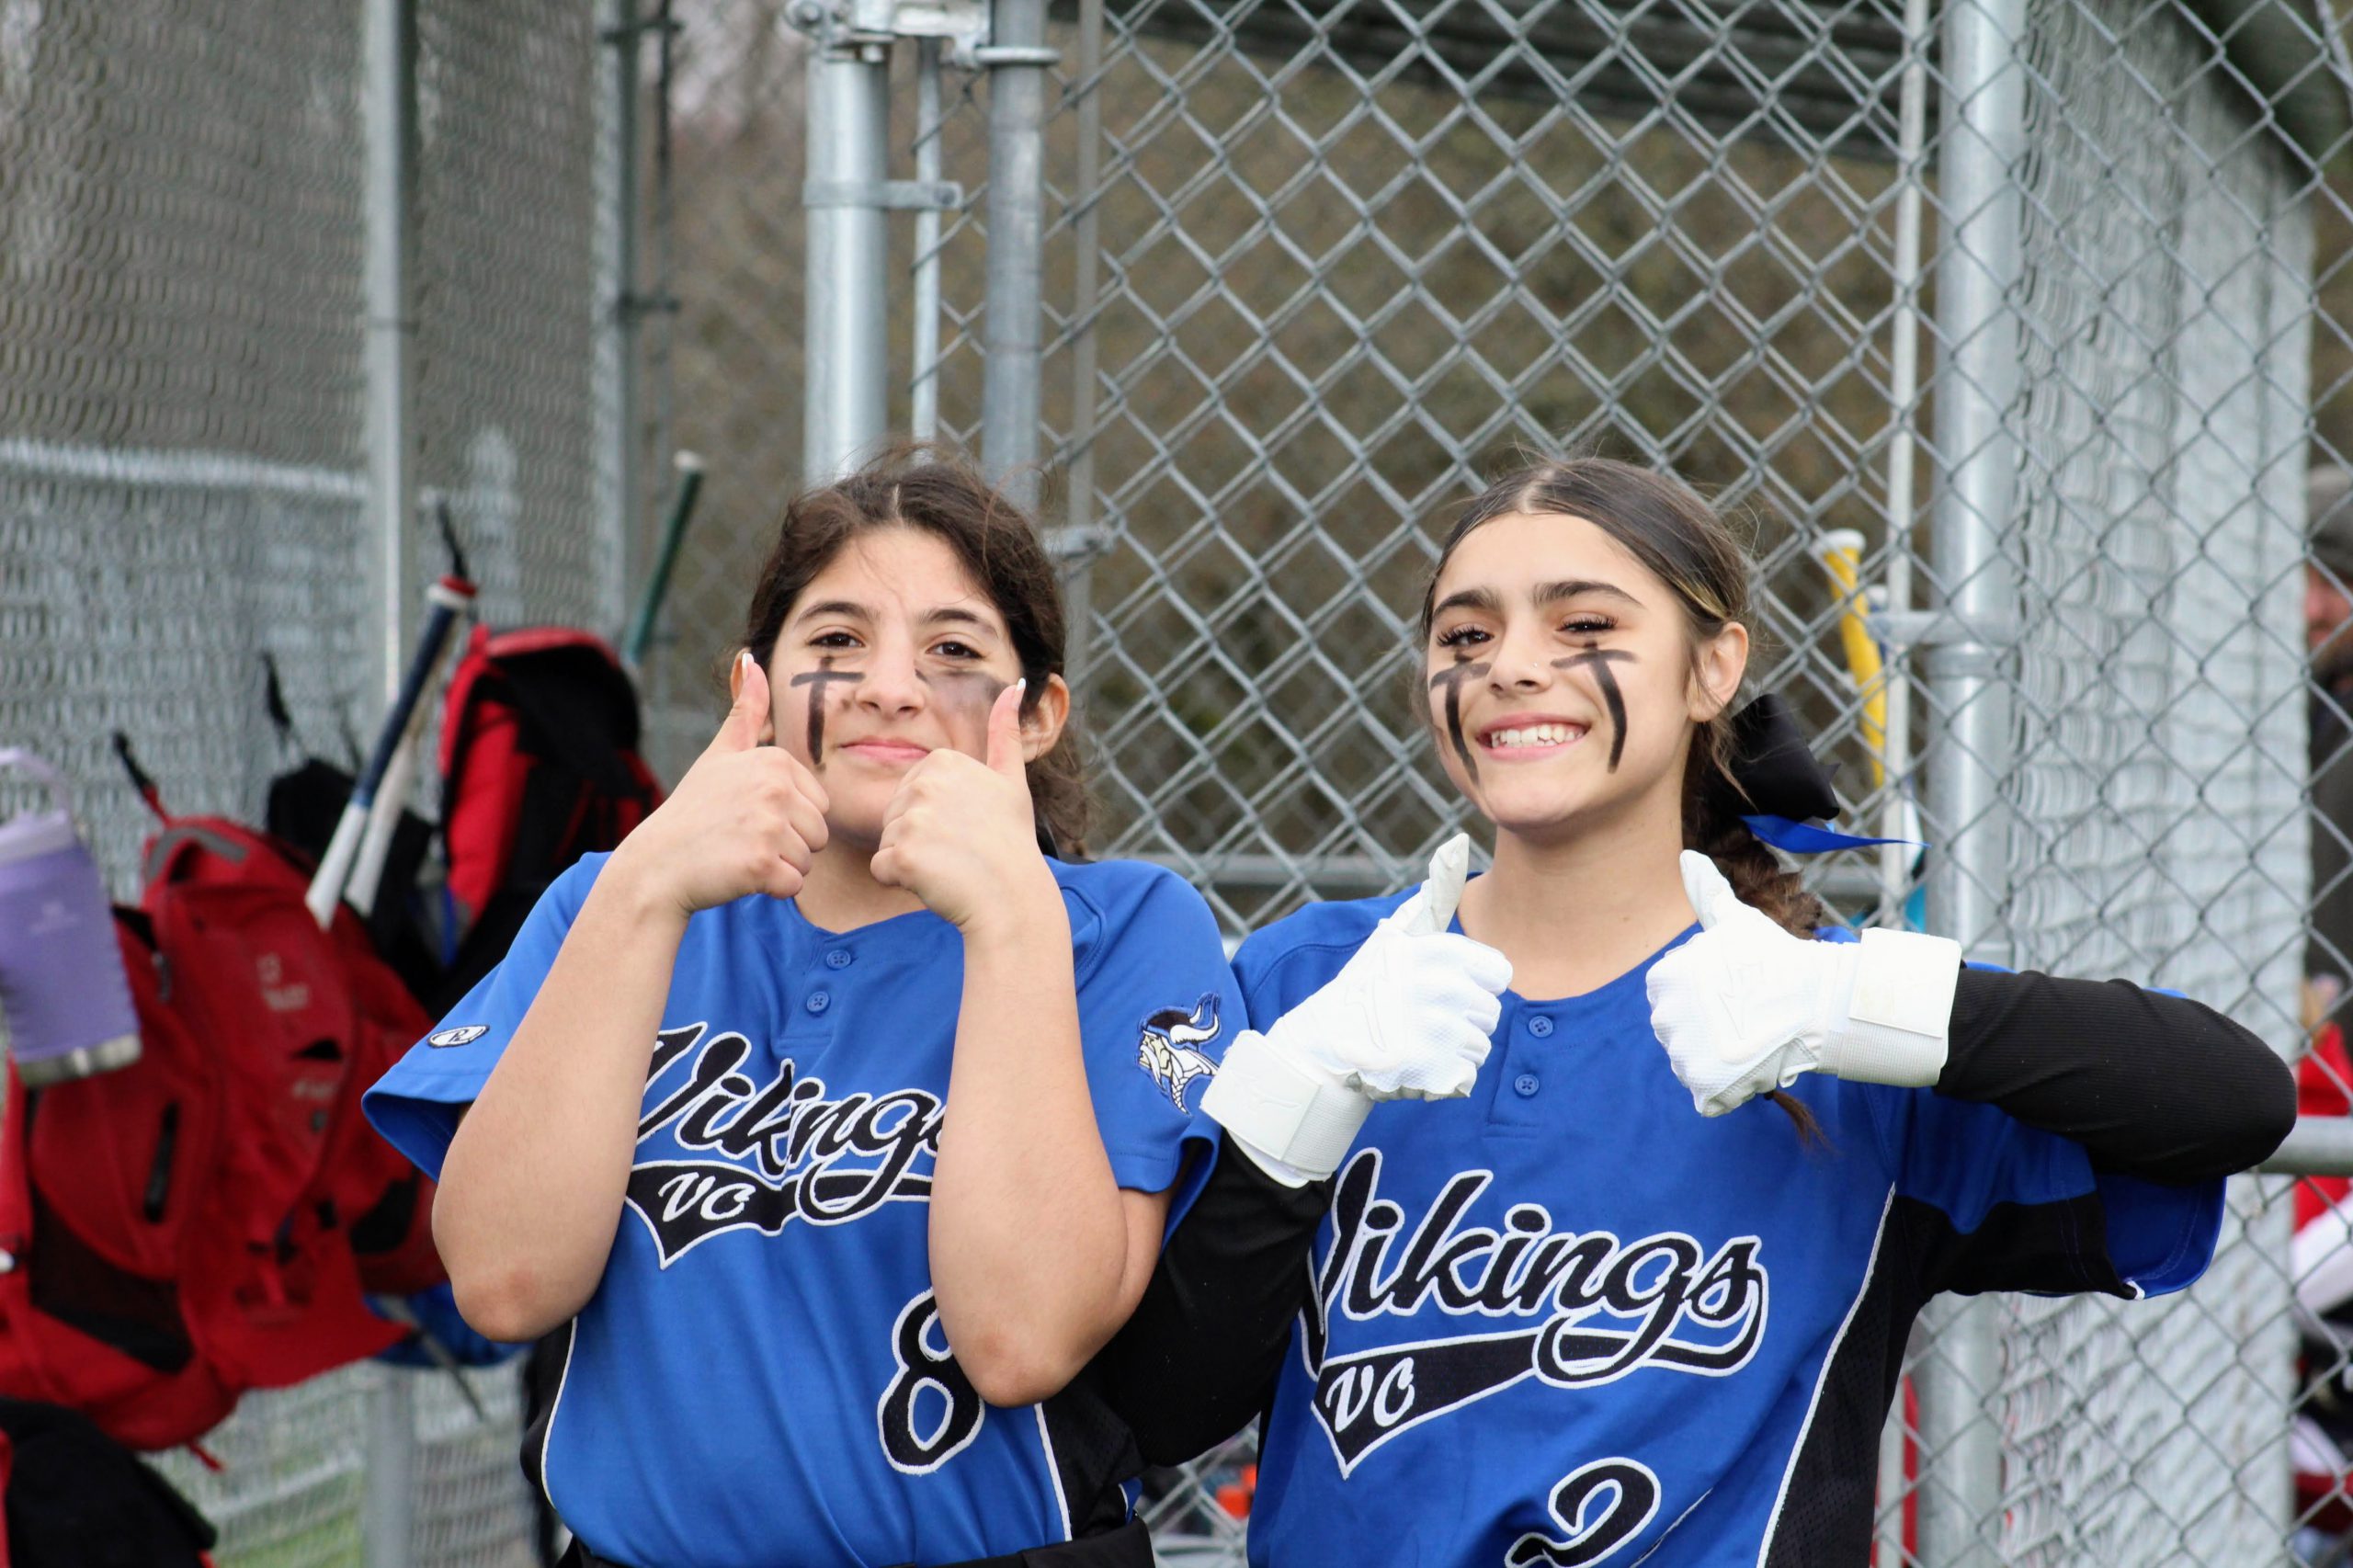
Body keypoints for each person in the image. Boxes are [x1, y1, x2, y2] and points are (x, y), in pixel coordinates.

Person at [1086, 454, 2297, 1566]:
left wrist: (1858, 998)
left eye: (1586, 625)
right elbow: (1159, 1408)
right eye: (1468, 631)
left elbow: (2232, 1099)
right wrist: (1291, 1102)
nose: (1509, 663)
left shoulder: (1813, 1018)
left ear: (1714, 667)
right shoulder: (1317, 983)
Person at [363, 451, 1248, 1568]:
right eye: (834, 643)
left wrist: (1010, 916)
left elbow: (1019, 1339)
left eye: (954, 651)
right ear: (757, 686)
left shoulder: (1117, 928)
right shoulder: (617, 901)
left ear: (1035, 717)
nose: (888, 685)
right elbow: (502, 1282)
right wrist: (643, 888)